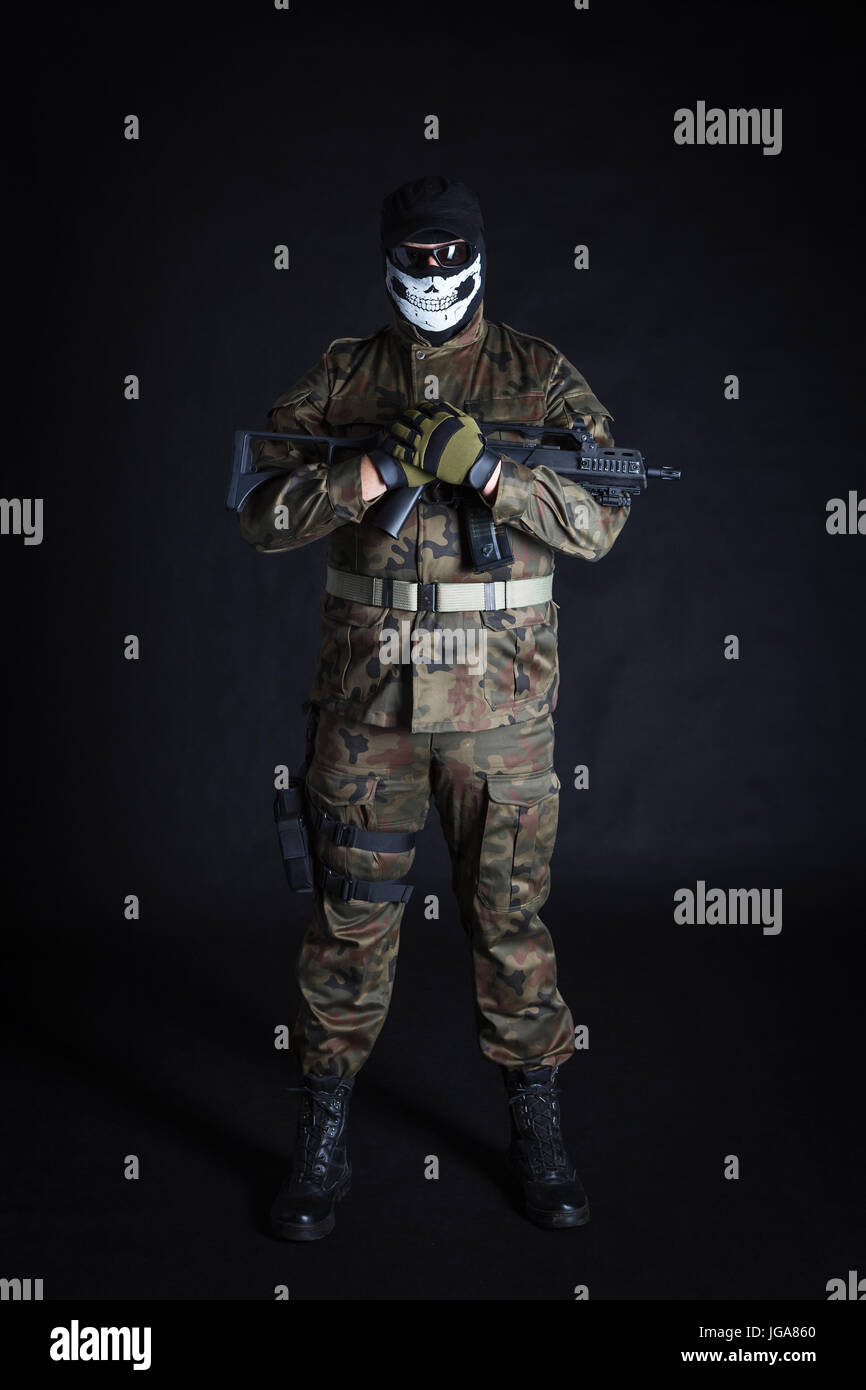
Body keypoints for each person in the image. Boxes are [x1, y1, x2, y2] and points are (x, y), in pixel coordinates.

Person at [238, 175, 630, 1240]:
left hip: (501, 708)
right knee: (347, 925)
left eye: (446, 251)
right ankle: (320, 1138)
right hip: (368, 709)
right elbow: (261, 512)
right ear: (386, 257)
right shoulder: (344, 374)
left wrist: (491, 477)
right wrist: (367, 472)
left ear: (475, 252)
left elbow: (599, 521)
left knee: (508, 923)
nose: (431, 271)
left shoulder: (536, 372)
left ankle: (535, 1123)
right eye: (412, 252)